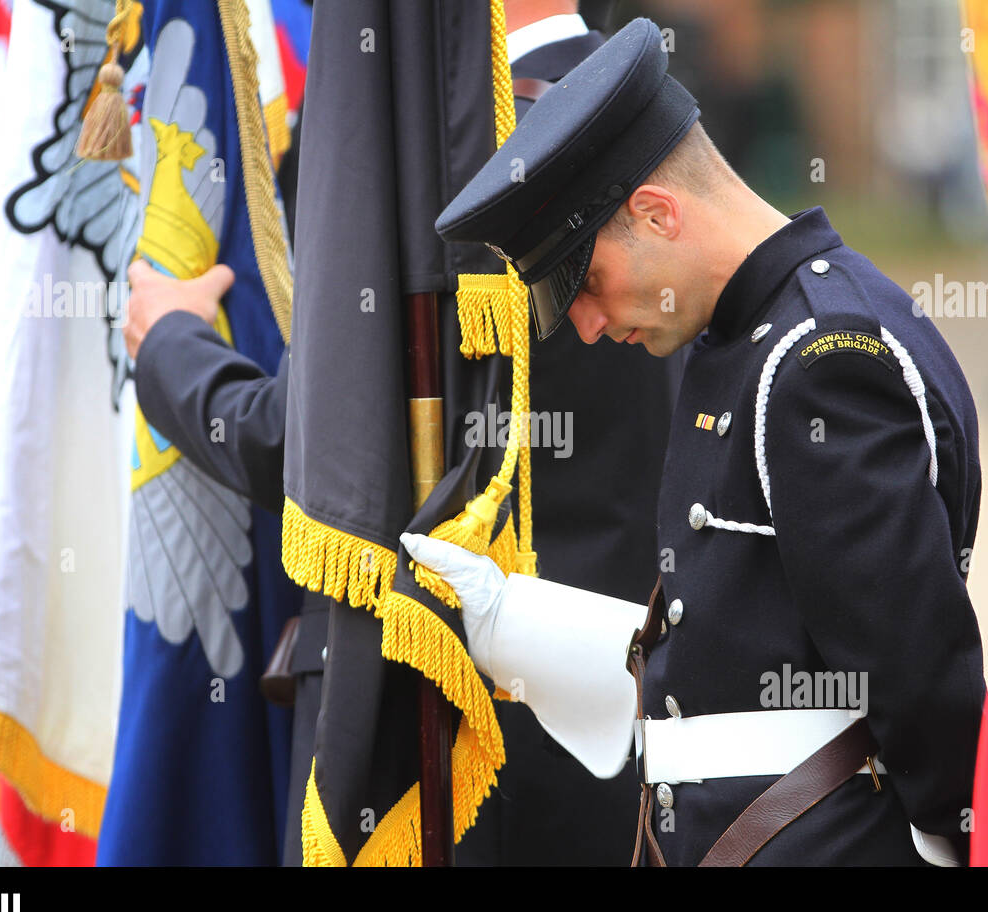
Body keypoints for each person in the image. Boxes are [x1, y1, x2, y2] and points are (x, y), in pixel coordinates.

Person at [408, 16, 986, 866]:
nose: (590, 326)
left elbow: (923, 691)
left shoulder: (819, 358)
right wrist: (509, 619)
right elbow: (734, 644)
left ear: (656, 212)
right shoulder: (745, 338)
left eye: (588, 283)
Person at [122, 1, 682, 866]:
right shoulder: (670, 122)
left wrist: (171, 351)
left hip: (461, 762)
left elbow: (330, 453)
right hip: (631, 739)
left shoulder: (456, 163)